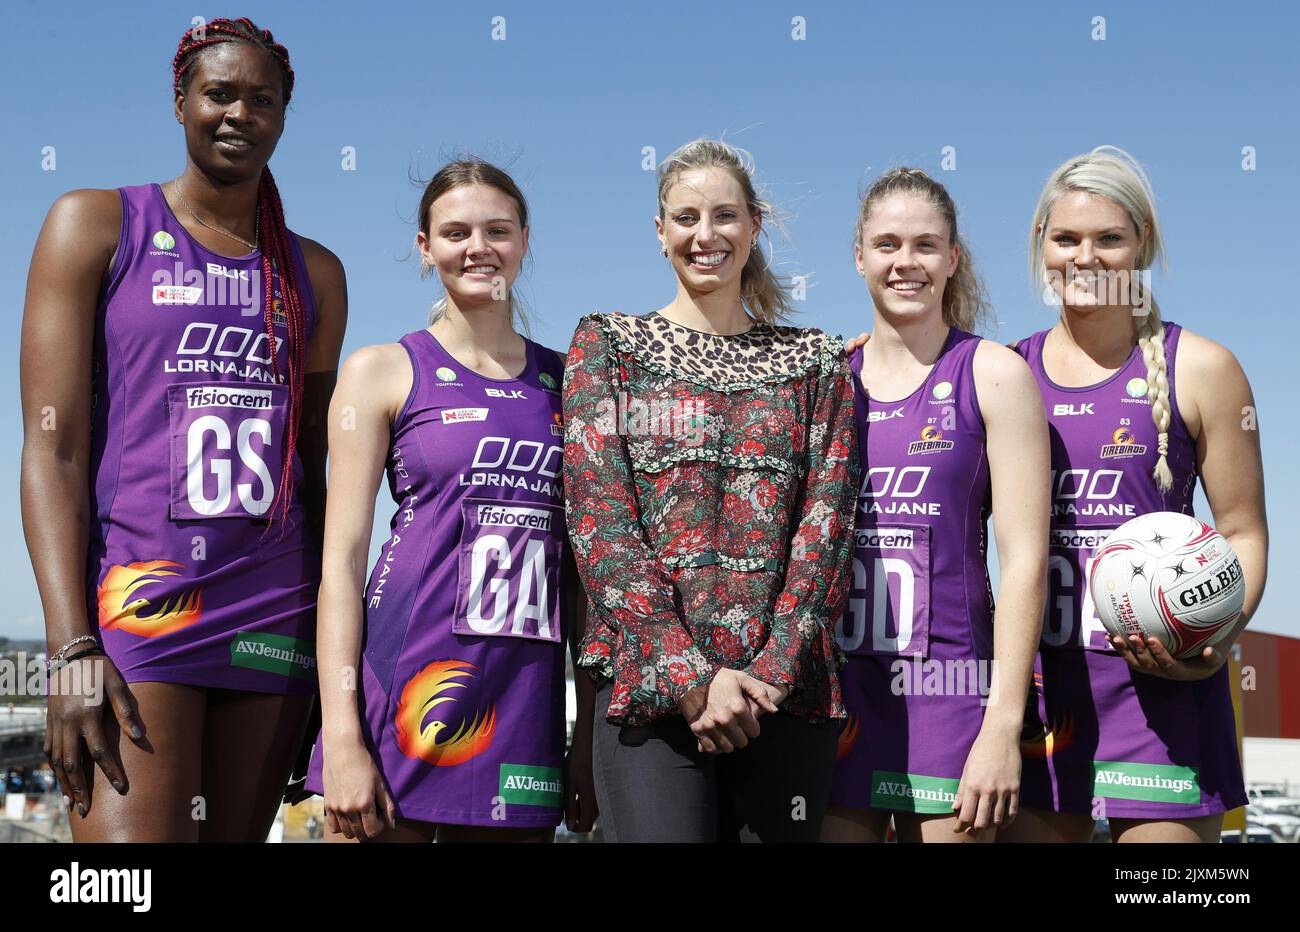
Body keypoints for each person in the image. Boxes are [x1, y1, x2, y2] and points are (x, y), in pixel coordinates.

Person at [19, 18, 347, 842]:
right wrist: (67, 648)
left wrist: (334, 656)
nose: (240, 114)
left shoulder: (314, 273)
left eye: (262, 100)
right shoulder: (94, 223)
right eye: (220, 94)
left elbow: (313, 468)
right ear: (180, 102)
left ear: (283, 114)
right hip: (139, 607)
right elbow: (52, 446)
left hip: (274, 611)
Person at [563, 138, 860, 842]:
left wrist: (771, 673)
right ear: (660, 232)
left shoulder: (816, 361)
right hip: (650, 695)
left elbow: (827, 528)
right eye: (686, 217)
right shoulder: (608, 346)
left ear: (754, 227)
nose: (706, 235)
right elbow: (601, 526)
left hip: (782, 697)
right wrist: (690, 676)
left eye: (725, 216)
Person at [307, 160, 592, 842]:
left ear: (525, 239)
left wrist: (586, 745)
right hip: (400, 682)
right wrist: (342, 736)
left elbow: (587, 579)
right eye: (455, 232)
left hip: (523, 701)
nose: (478, 248)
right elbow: (342, 564)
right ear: (425, 246)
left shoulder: (574, 379)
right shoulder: (381, 370)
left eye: (497, 230)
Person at [1000, 147, 1267, 843]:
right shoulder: (1006, 374)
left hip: (1165, 692)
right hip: (1038, 696)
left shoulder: (1204, 368)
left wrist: (1214, 641)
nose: (1085, 256)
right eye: (1066, 238)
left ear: (1141, 244)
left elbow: (1244, 532)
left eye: (1109, 238)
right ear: (1041, 246)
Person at [825, 169, 1049, 843]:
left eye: (926, 245)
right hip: (839, 700)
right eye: (887, 243)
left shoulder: (993, 374)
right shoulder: (828, 379)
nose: (906, 262)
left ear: (953, 259)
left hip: (951, 695)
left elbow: (1026, 562)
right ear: (858, 255)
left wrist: (1002, 725)